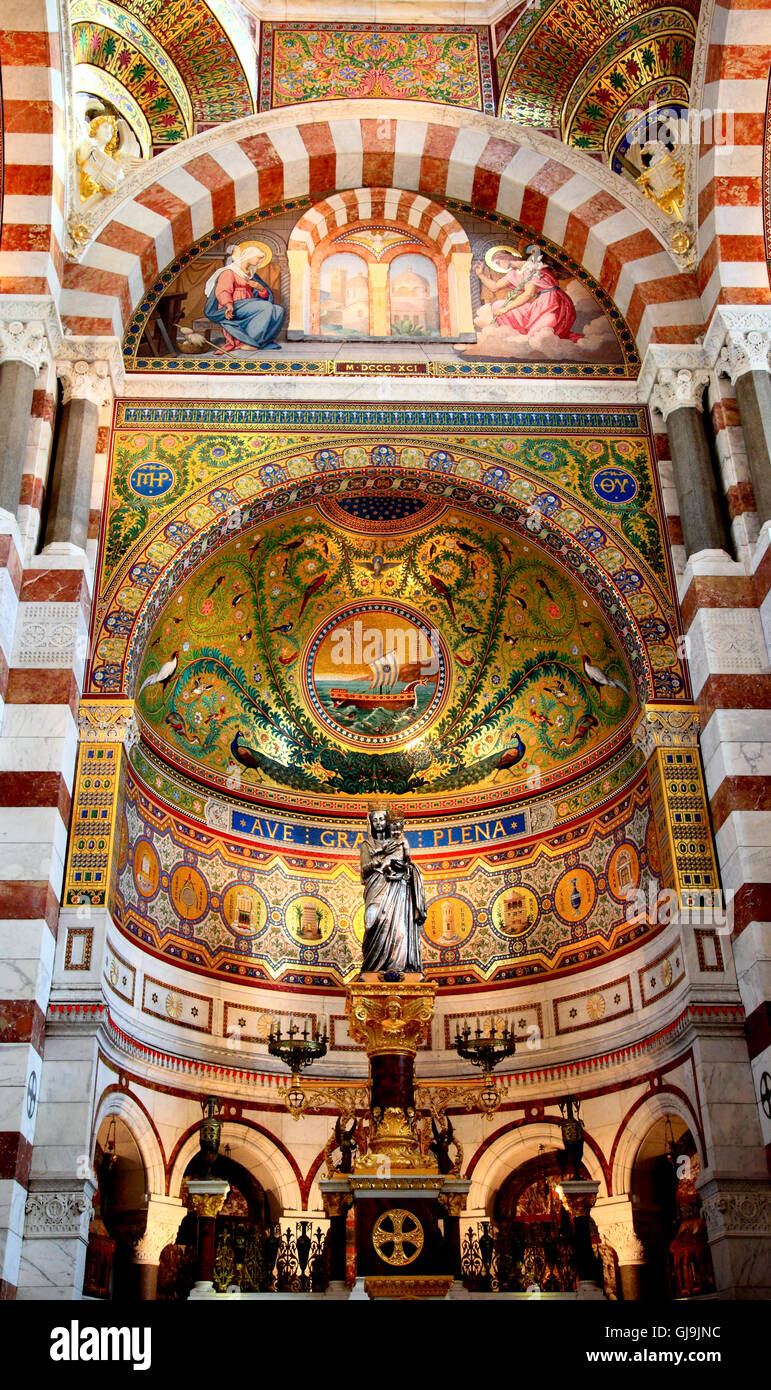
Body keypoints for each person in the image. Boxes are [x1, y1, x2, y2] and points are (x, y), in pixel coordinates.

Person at [359, 806, 426, 975]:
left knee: (399, 931)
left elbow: (407, 861)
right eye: (375, 820)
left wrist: (405, 869)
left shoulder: (398, 842)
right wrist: (380, 854)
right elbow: (364, 870)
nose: (379, 823)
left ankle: (398, 966)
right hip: (376, 886)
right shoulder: (367, 845)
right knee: (371, 921)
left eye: (382, 819)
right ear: (370, 823)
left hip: (398, 889)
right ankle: (372, 966)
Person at [473, 245, 582, 342]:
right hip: (536, 304)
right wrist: (480, 274)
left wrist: (506, 309)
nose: (499, 266)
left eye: (498, 262)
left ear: (505, 256)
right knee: (497, 305)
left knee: (535, 338)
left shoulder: (532, 266)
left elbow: (528, 294)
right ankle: (524, 332)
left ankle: (534, 333)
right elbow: (495, 287)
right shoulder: (514, 273)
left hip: (551, 302)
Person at [204, 243, 285, 353]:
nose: (259, 261)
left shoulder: (251, 274)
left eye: (261, 259)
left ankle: (261, 341)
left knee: (279, 310)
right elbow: (223, 291)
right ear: (249, 256)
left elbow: (264, 295)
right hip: (234, 305)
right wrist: (228, 305)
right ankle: (249, 342)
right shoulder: (229, 272)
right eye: (258, 258)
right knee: (266, 307)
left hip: (250, 304)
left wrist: (260, 288)